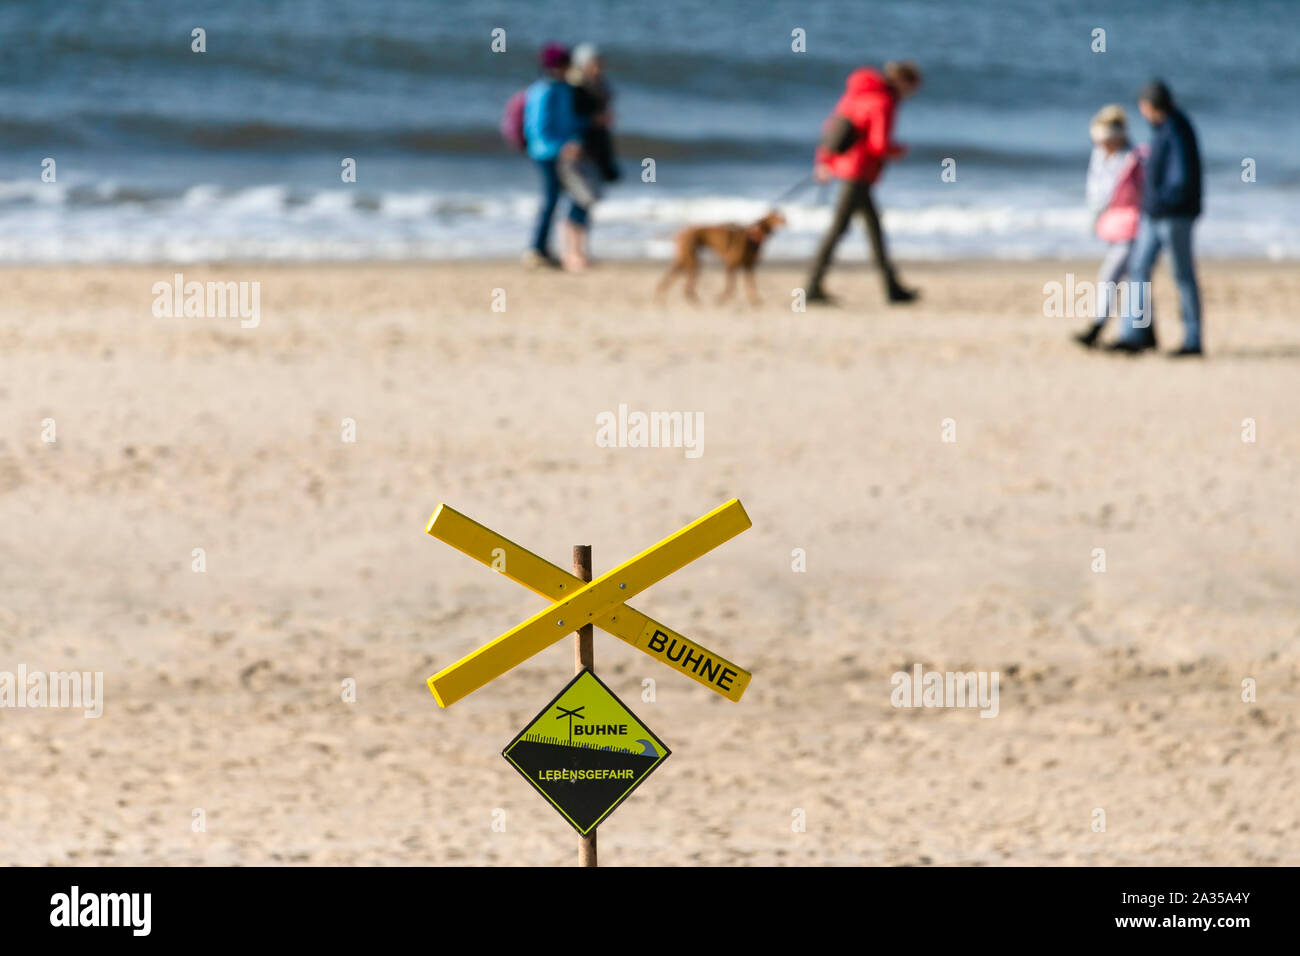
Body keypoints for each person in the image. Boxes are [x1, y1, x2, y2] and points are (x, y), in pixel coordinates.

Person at [805, 60, 922, 306]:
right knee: (840, 228)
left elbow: (832, 129)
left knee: (873, 229)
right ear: (904, 82)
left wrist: (824, 161)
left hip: (846, 167)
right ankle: (812, 286)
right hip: (859, 172)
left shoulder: (857, 94)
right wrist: (898, 150)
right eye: (913, 88)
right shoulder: (884, 101)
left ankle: (892, 287)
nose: (911, 94)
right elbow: (878, 145)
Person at [1110, 79, 1204, 355]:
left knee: (1182, 275)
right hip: (1155, 215)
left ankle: (1192, 340)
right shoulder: (1164, 129)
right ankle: (1135, 334)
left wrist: (1160, 203)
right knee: (1138, 269)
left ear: (1150, 106)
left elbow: (1181, 179)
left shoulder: (1176, 129)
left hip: (1173, 217)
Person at [1074, 105, 1144, 348]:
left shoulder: (1134, 159)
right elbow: (1096, 192)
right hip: (1112, 225)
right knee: (1133, 279)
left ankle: (1098, 326)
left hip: (1133, 227)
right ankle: (1145, 333)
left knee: (1112, 277)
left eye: (1106, 140)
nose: (1103, 145)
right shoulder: (1100, 155)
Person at [522, 43, 587, 270]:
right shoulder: (543, 90)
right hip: (547, 153)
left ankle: (550, 249)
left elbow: (569, 121)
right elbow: (538, 127)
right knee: (552, 200)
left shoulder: (564, 88)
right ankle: (536, 249)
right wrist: (562, 146)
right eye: (566, 63)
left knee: (564, 199)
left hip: (562, 151)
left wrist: (582, 131)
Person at [569, 43, 620, 184]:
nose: (598, 69)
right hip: (580, 142)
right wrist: (593, 120)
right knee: (584, 194)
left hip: (598, 140)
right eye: (594, 64)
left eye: (600, 64)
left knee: (594, 189)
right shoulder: (575, 86)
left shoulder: (601, 84)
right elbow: (569, 117)